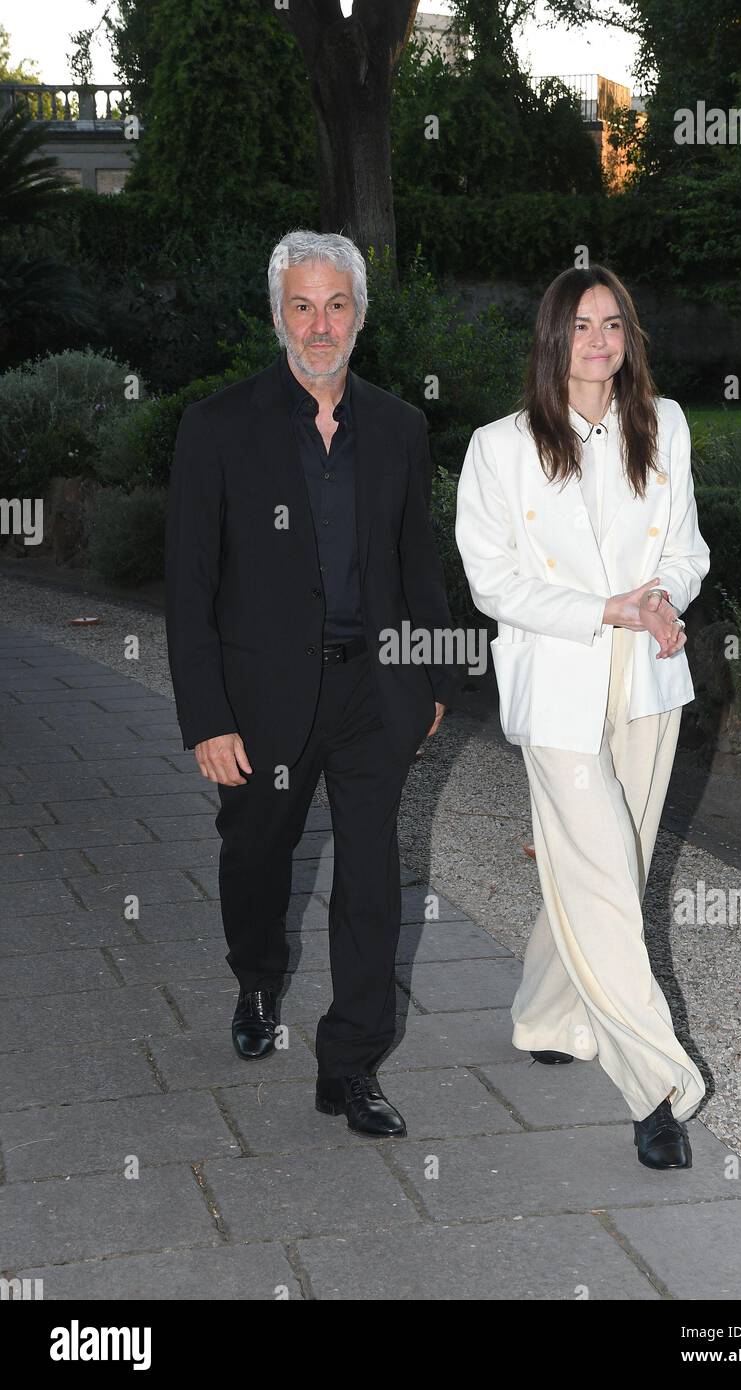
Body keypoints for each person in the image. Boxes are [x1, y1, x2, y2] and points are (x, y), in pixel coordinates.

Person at [165, 230, 459, 1138]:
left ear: (359, 313)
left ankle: (352, 1064)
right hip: (260, 704)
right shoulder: (218, 428)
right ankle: (256, 976)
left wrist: (431, 672)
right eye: (303, 305)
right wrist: (207, 716)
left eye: (336, 305)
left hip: (374, 696)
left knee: (372, 877)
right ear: (277, 315)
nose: (320, 324)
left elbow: (419, 561)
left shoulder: (400, 426)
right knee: (257, 858)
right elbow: (189, 586)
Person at [455, 264, 709, 1169]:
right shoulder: (500, 446)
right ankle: (656, 1086)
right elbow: (494, 583)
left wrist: (666, 596)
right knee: (602, 870)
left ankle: (547, 1012)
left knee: (618, 863)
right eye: (581, 325)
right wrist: (605, 609)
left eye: (613, 325)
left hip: (645, 677)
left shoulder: (664, 424)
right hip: (557, 681)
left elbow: (686, 546)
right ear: (552, 339)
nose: (599, 341)